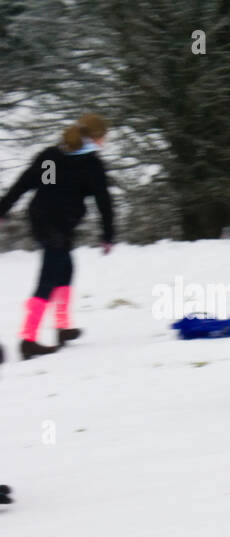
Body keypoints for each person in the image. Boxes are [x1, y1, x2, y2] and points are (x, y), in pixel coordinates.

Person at [0, 113, 114, 359]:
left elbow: (32, 183)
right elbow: (27, 182)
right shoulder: (81, 163)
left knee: (66, 268)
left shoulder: (55, 157)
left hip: (59, 222)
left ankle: (62, 328)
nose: (105, 142)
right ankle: (28, 339)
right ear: (93, 138)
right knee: (49, 276)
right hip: (48, 223)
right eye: (103, 137)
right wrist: (3, 208)